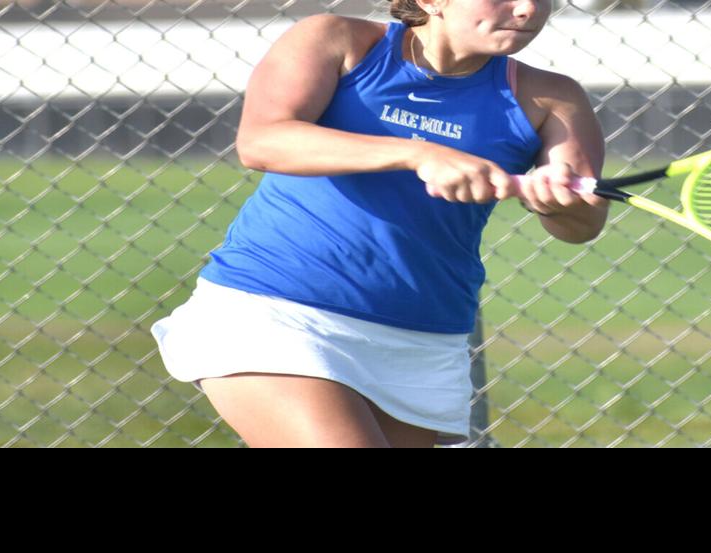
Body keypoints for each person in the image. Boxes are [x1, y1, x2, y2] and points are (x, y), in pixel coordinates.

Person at [152, 0, 607, 447]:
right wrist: (419, 153)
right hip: (275, 312)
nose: (528, 8)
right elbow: (262, 139)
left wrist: (553, 199)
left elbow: (582, 223)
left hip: (423, 338)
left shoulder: (552, 97)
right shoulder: (336, 39)